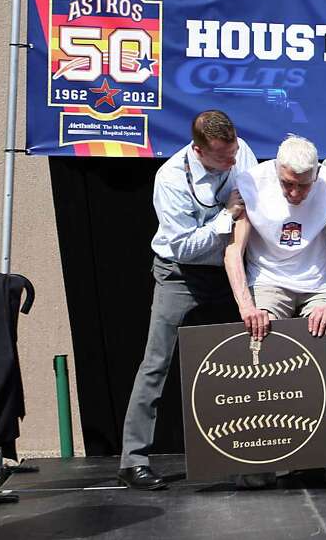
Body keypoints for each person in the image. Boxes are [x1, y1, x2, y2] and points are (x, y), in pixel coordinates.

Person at [118, 110, 257, 490]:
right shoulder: (171, 179)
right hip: (180, 273)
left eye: (233, 152)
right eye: (222, 157)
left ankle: (252, 450)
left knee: (250, 353)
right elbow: (185, 247)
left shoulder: (240, 151)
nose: (232, 160)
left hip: (230, 269)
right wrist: (226, 216)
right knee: (156, 362)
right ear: (198, 150)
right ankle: (133, 460)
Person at [223, 134, 326, 486]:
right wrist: (247, 306)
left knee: (325, 344)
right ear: (276, 170)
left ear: (316, 174)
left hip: (318, 281)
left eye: (304, 185)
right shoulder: (252, 183)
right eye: (288, 184)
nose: (296, 193)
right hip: (269, 277)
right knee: (262, 346)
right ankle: (263, 458)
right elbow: (232, 251)